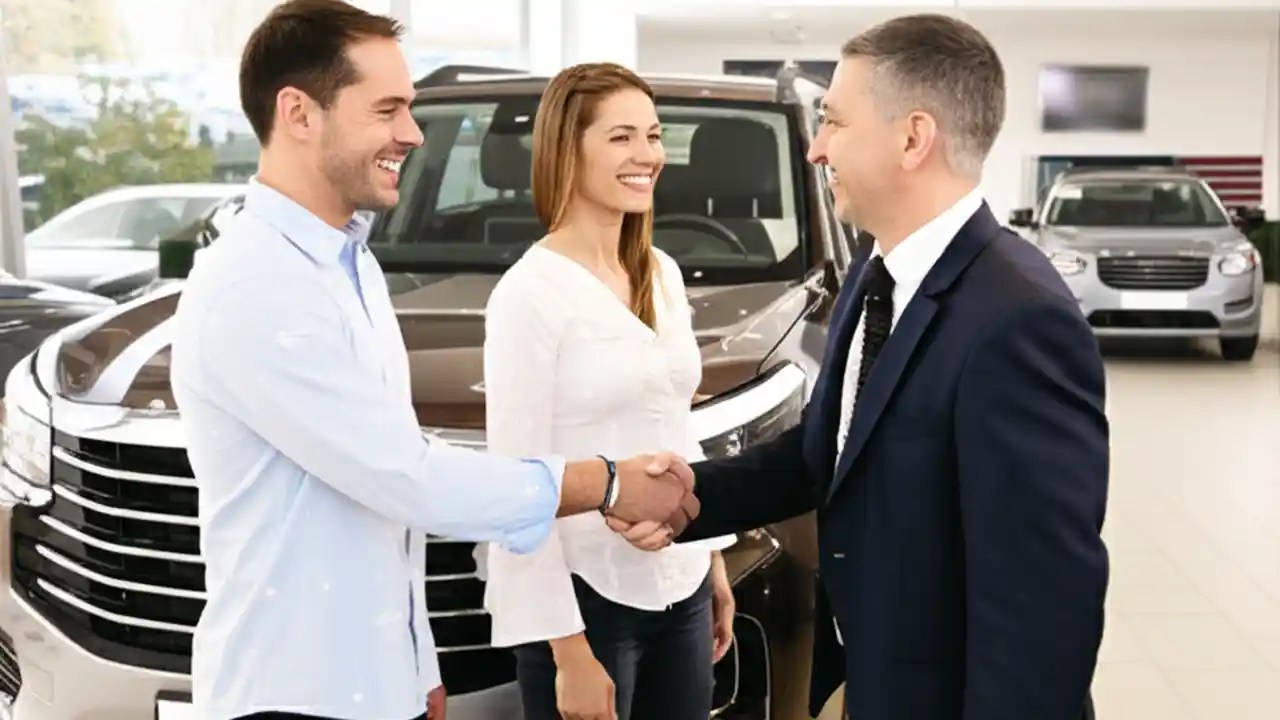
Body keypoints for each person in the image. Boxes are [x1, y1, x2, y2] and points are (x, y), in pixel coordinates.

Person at [167, 3, 699, 720]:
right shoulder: (256, 286)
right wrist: (606, 483)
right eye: (388, 110)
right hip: (295, 697)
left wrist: (415, 663)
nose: (412, 134)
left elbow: (382, 507)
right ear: (298, 113)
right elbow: (408, 478)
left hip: (374, 686)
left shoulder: (350, 266)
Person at [614, 13, 1110, 720]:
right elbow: (829, 452)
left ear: (913, 138)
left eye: (834, 123)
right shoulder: (875, 277)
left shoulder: (1018, 319)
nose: (817, 149)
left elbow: (1043, 603)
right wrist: (690, 497)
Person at [481, 63, 738, 720]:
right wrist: (568, 654)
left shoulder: (661, 271)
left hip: (680, 588)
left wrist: (711, 565)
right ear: (569, 149)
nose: (647, 155)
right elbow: (516, 488)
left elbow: (677, 426)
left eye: (653, 136)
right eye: (622, 137)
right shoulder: (529, 295)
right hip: (585, 602)